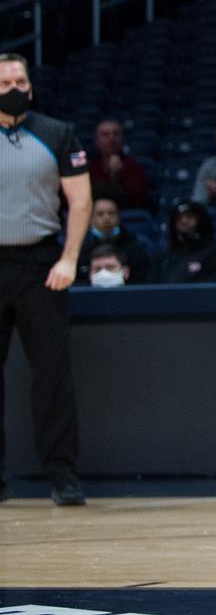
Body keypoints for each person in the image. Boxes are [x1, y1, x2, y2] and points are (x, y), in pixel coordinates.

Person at [0, 53, 90, 504]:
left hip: (40, 265)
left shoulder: (55, 133)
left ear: (31, 86)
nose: (14, 87)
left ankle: (63, 475)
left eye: (20, 80)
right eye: (4, 81)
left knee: (52, 374)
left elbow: (81, 201)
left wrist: (69, 259)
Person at [157, 201, 216, 284]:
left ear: (200, 221)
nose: (183, 221)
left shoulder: (214, 254)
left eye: (189, 217)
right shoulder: (165, 255)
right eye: (179, 218)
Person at [85, 194, 151, 283]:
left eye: (111, 213)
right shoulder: (81, 248)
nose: (106, 218)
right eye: (100, 214)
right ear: (91, 219)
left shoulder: (135, 247)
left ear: (118, 217)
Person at [84, 118, 148, 208]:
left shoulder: (134, 167)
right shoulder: (90, 167)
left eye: (116, 134)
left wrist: (118, 176)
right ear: (97, 140)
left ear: (122, 138)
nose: (111, 138)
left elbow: (137, 200)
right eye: (105, 134)